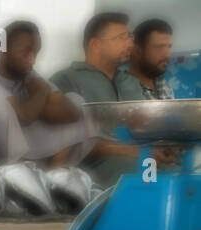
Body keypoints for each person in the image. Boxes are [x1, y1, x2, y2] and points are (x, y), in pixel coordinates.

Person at [0, 20, 91, 172]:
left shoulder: (26, 75)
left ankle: (55, 179)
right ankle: (25, 178)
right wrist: (41, 93)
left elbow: (72, 113)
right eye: (26, 52)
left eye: (36, 53)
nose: (33, 60)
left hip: (16, 159)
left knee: (77, 101)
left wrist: (38, 108)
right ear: (2, 51)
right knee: (1, 108)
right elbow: (24, 117)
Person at [50, 12, 157, 188]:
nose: (130, 43)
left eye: (130, 37)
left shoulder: (131, 82)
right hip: (94, 170)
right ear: (96, 45)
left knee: (184, 170)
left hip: (141, 158)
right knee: (145, 176)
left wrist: (161, 146)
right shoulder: (65, 81)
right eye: (122, 37)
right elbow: (62, 143)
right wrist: (133, 152)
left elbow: (145, 128)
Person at [129, 18, 174, 100]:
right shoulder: (121, 90)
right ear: (137, 50)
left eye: (169, 47)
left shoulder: (163, 84)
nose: (168, 55)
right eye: (160, 47)